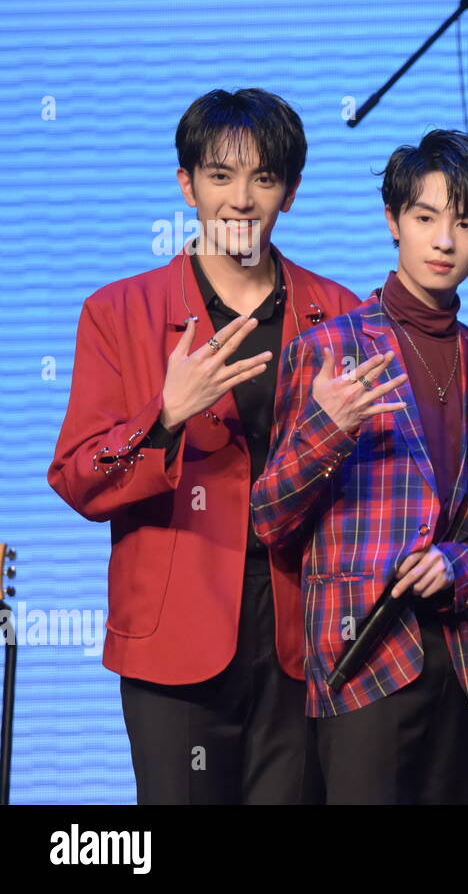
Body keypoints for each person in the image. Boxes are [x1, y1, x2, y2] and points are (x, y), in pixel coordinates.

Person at [48, 88, 359, 803]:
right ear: (186, 185)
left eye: (264, 178)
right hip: (174, 638)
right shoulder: (118, 311)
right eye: (220, 176)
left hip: (301, 633)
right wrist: (165, 416)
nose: (242, 200)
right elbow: (76, 479)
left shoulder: (340, 313)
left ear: (293, 190)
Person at [251, 130, 468, 803]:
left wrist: (461, 564)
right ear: (393, 222)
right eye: (425, 219)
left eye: (466, 223)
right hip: (363, 654)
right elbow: (270, 518)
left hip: (465, 660)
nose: (444, 241)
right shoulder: (331, 348)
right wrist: (328, 428)